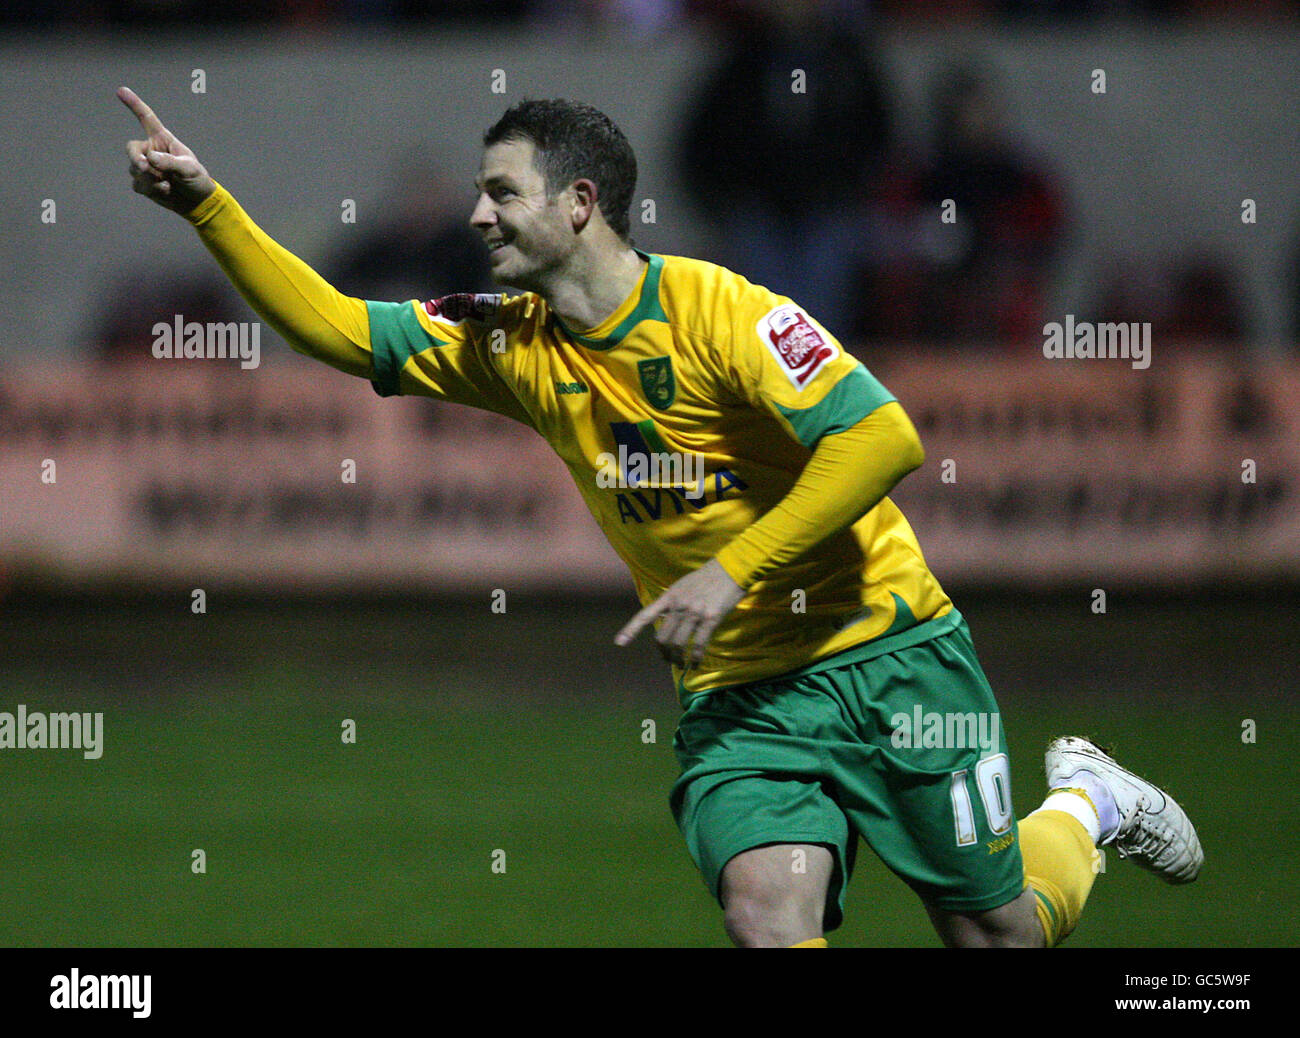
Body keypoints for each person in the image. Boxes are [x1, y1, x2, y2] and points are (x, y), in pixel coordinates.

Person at [119, 87, 1202, 947]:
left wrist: (733, 567)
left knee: (997, 933)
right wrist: (207, 204)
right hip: (739, 698)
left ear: (578, 203)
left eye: (500, 192)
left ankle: (1086, 807)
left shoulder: (723, 312)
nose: (475, 214)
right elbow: (346, 331)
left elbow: (883, 438)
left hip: (894, 656)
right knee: (764, 916)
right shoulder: (512, 343)